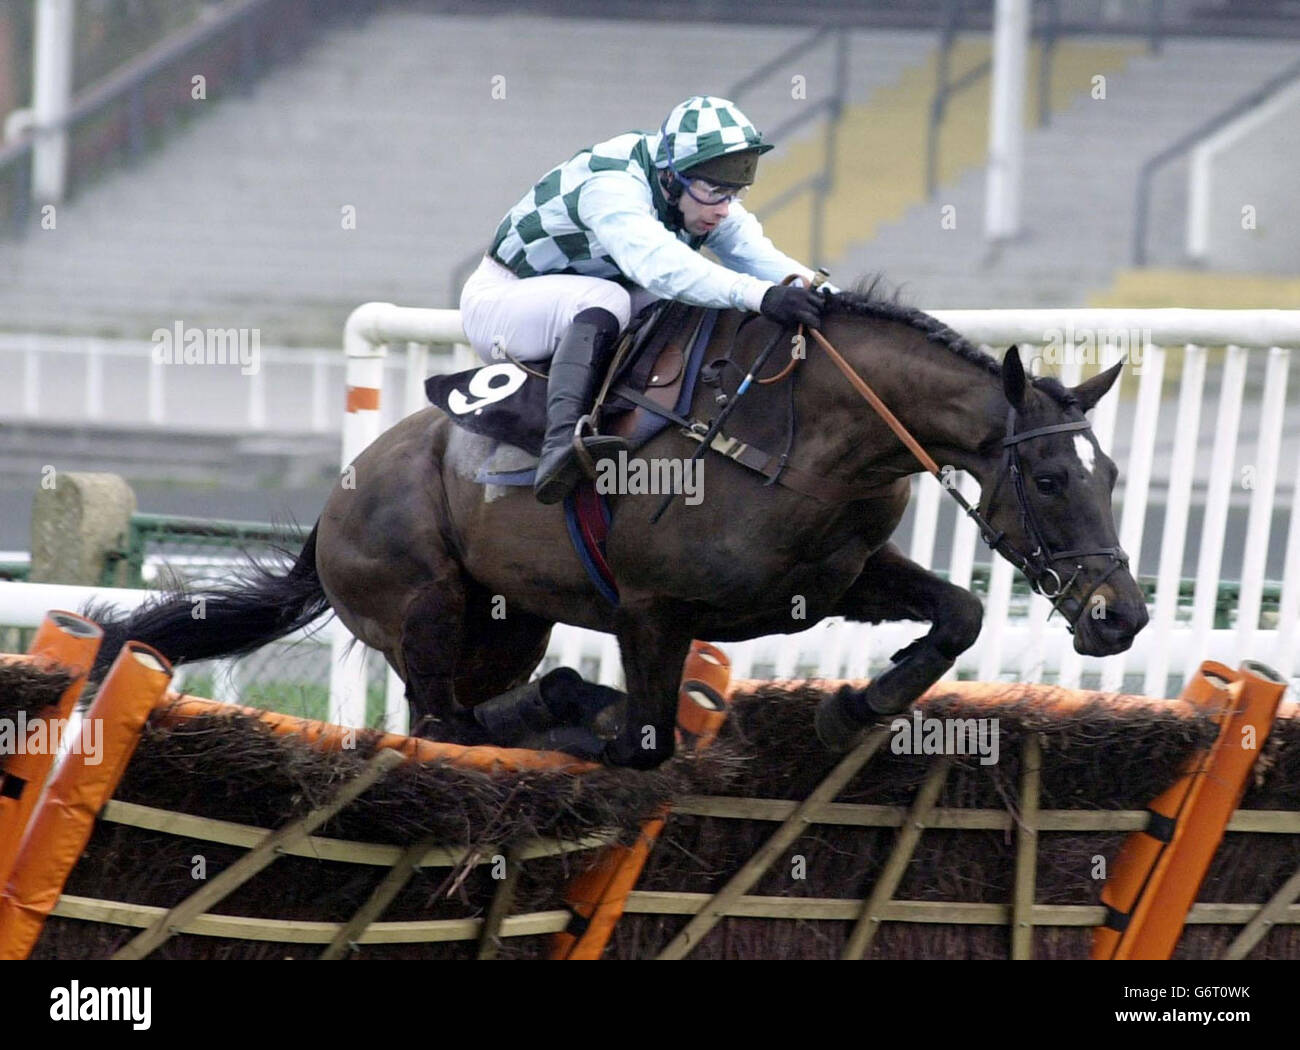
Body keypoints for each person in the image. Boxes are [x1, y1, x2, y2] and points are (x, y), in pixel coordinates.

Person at [459, 95, 830, 505]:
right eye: (714, 192)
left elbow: (759, 257)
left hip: (568, 297)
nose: (723, 210)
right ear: (671, 177)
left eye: (735, 193)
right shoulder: (612, 186)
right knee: (616, 297)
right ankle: (560, 448)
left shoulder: (693, 189)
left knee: (689, 303)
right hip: (501, 304)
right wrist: (761, 296)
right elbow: (662, 268)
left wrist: (833, 302)